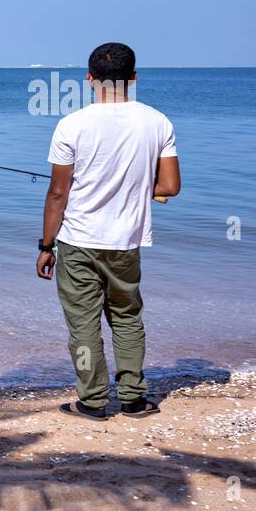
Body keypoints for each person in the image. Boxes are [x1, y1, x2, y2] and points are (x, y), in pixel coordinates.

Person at [37, 42, 181, 420]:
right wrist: (134, 185)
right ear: (133, 78)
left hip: (78, 241)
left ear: (89, 79)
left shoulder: (72, 124)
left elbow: (57, 193)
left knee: (83, 325)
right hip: (127, 242)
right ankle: (133, 398)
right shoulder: (158, 122)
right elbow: (169, 187)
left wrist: (46, 245)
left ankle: (93, 401)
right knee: (127, 318)